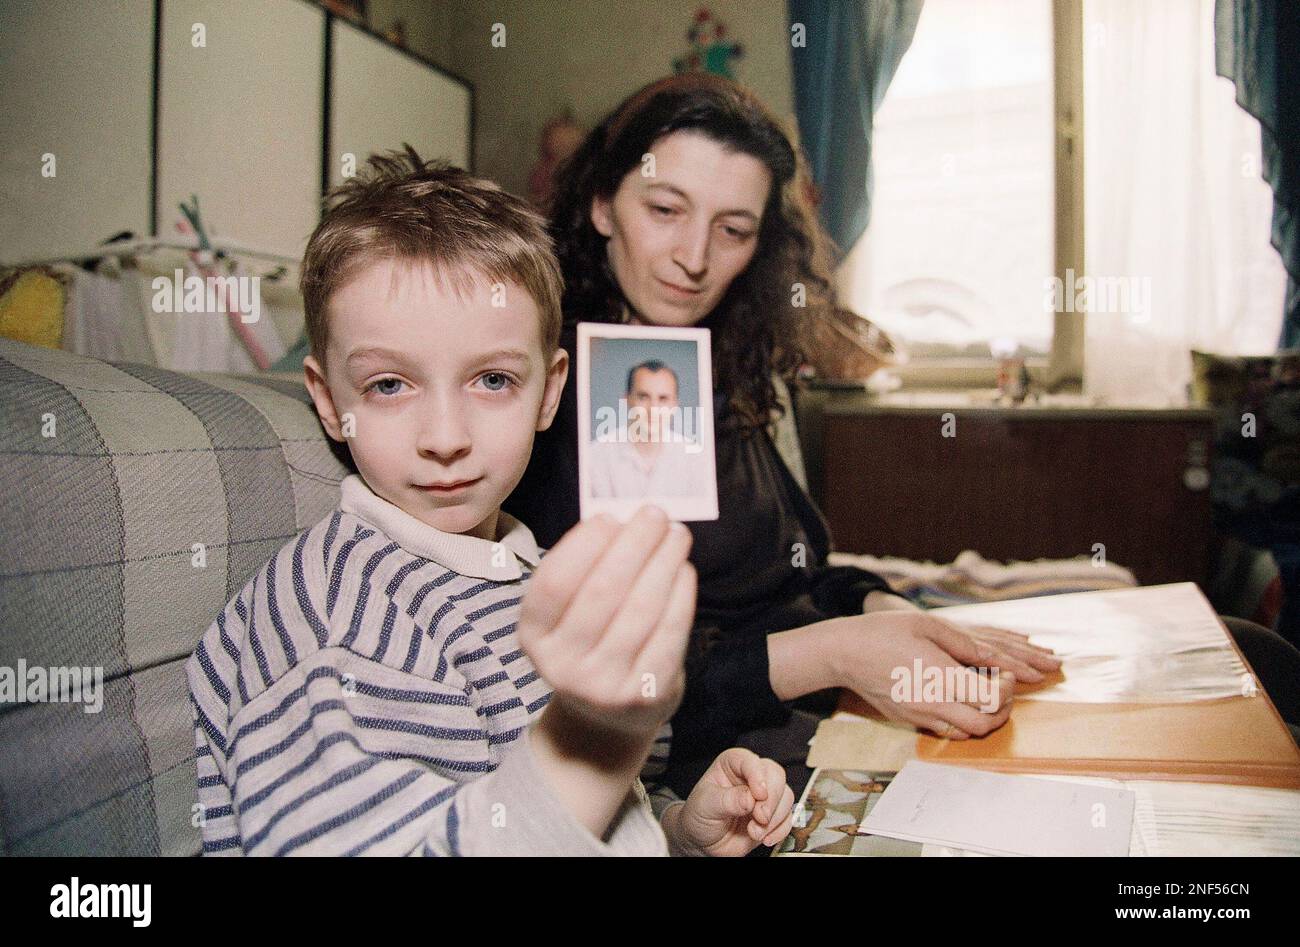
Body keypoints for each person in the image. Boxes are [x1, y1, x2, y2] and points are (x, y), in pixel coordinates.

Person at [184, 148, 795, 856]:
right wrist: (598, 736)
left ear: (551, 389)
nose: (445, 438)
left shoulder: (522, 565)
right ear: (326, 399)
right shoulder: (328, 617)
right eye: (389, 385)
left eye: (493, 380)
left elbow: (557, 811)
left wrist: (677, 828)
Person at [505, 74, 1062, 798]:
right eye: (666, 209)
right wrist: (836, 653)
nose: (694, 257)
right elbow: (628, 699)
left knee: (1249, 654)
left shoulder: (723, 364)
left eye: (733, 229)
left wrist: (891, 612)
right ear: (603, 204)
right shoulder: (547, 392)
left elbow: (802, 572)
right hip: (730, 768)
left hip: (825, 703)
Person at [589, 359, 709, 499]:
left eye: (663, 399)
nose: (653, 409)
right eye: (643, 397)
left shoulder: (695, 459)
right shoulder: (596, 456)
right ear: (627, 400)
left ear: (675, 405)